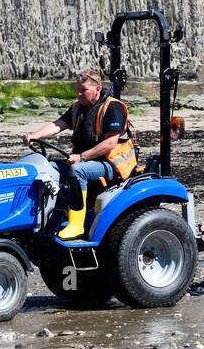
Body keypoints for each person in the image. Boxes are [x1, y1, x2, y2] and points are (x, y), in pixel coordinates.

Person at [23, 69, 137, 239]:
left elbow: (110, 143)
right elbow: (58, 125)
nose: (79, 93)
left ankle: (76, 225)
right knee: (46, 168)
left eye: (84, 90)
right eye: (78, 89)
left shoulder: (113, 107)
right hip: (86, 160)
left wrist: (81, 157)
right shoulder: (78, 107)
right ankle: (42, 218)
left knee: (78, 171)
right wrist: (35, 135)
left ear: (97, 88)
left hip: (112, 164)